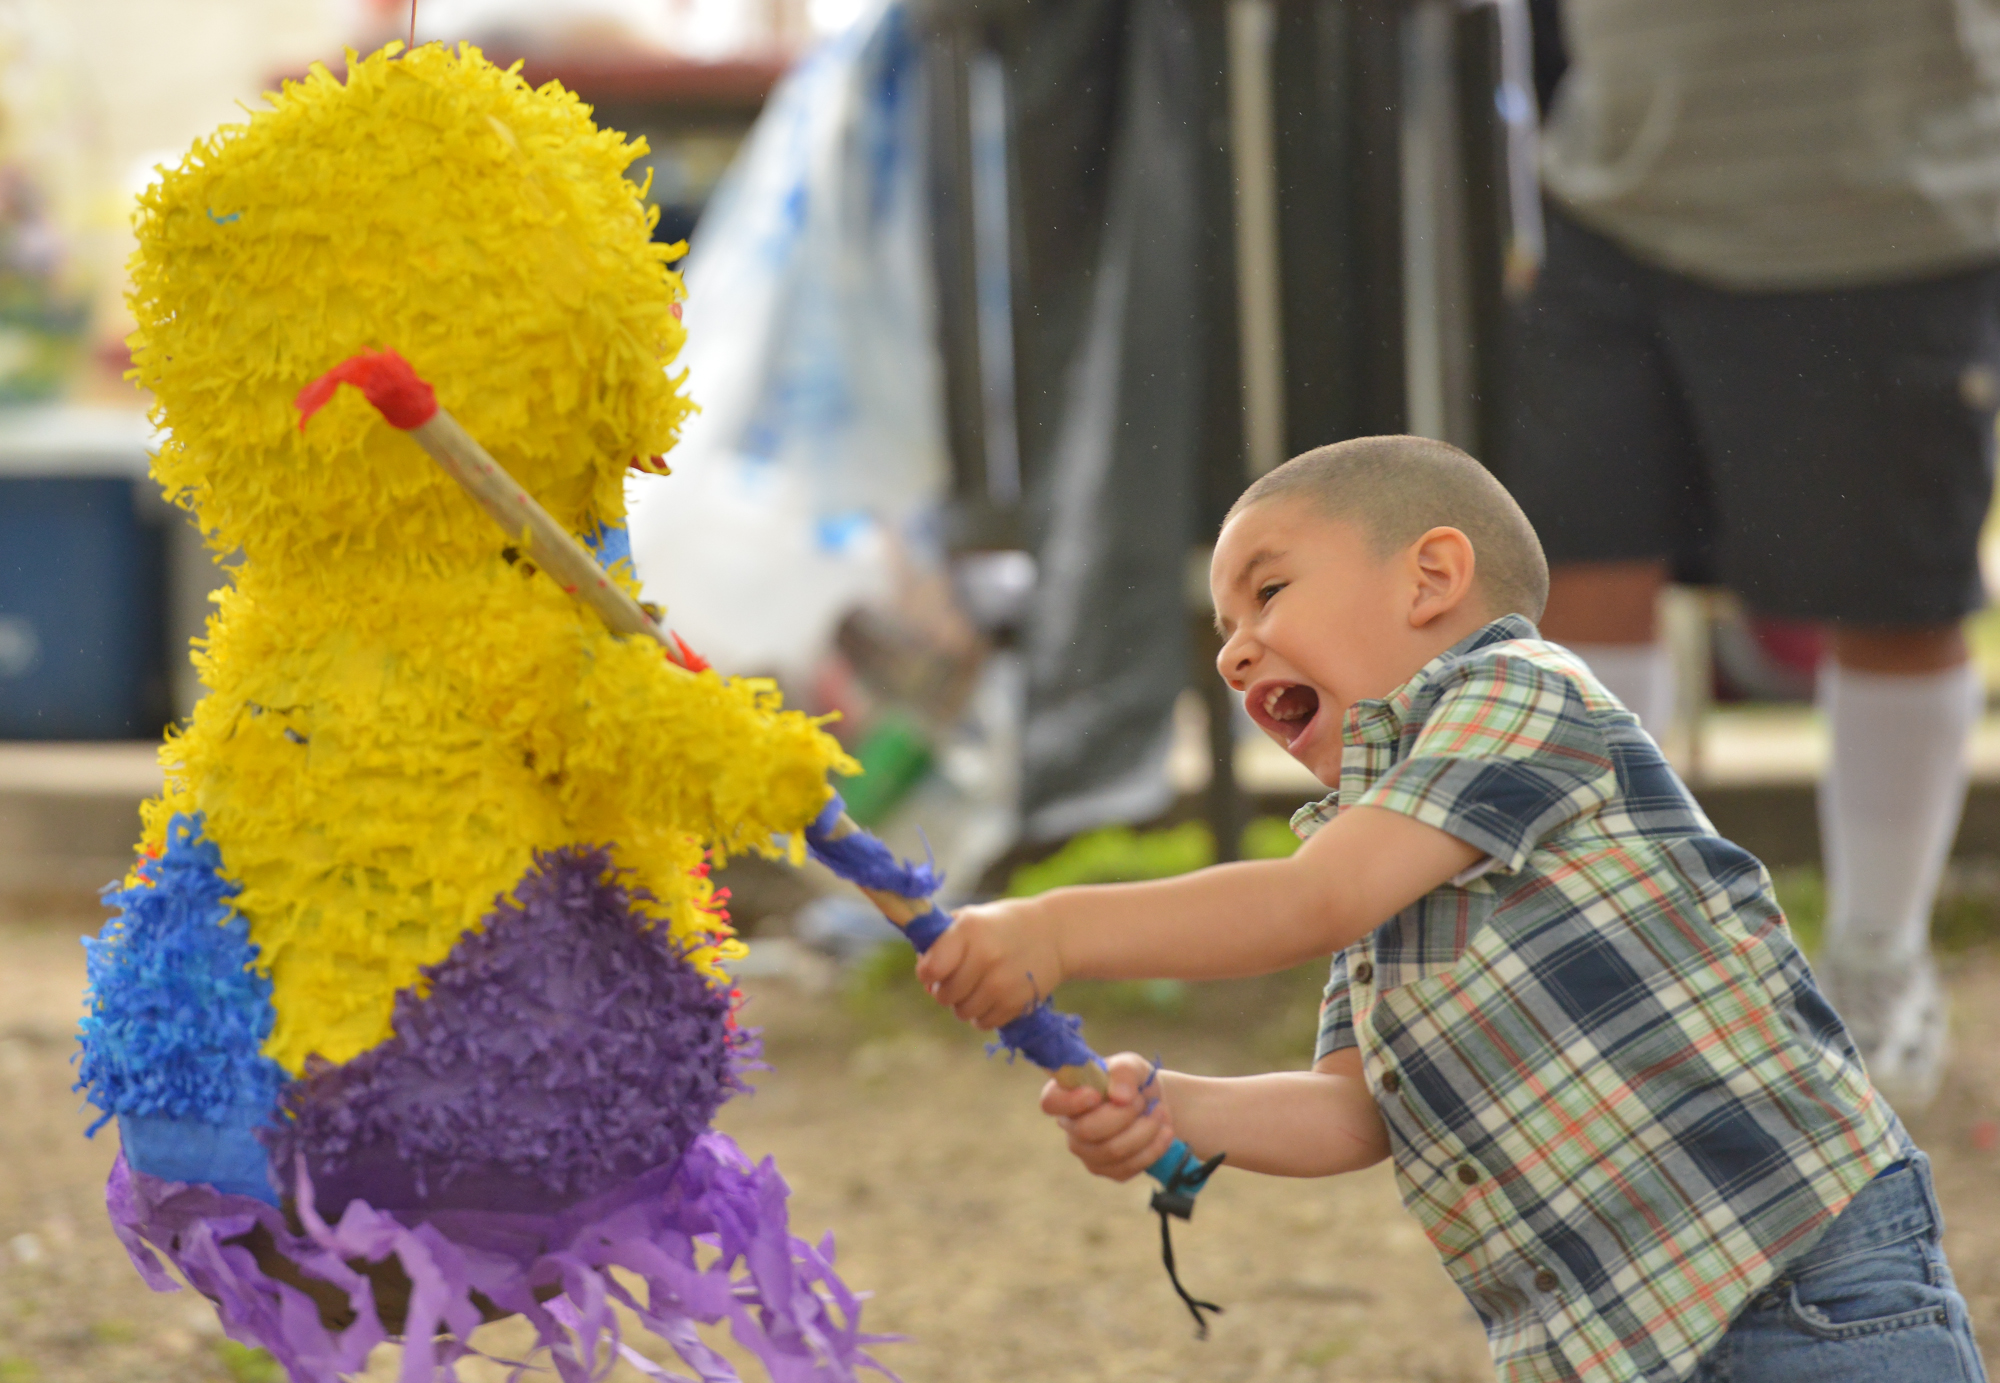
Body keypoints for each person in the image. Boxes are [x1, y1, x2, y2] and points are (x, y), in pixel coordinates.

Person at [916, 436, 1987, 1382]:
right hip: (1611, 1333)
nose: (1231, 649)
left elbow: (1309, 902)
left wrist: (1056, 930)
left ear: (1430, 577)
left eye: (1268, 592)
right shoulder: (1378, 836)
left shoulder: (1519, 690)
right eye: (1222, 625)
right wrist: (1170, 1105)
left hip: (1795, 1274)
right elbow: (1354, 1108)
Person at [1500, 0, 2000, 1108]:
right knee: (1573, 583)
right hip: (1611, 187)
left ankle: (1875, 962)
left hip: (1889, 207)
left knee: (1893, 601)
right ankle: (1638, 981)